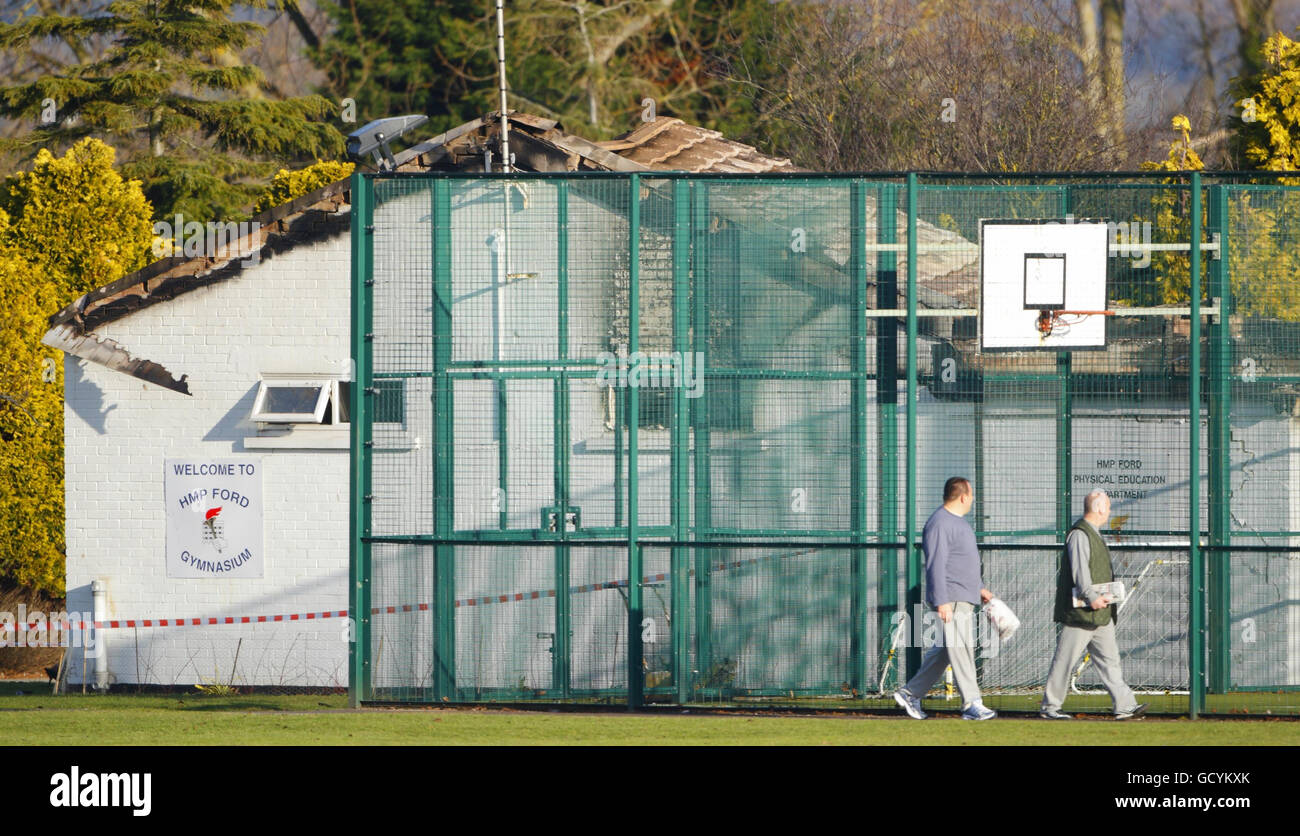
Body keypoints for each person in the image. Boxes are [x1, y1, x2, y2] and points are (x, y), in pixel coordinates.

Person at [1040, 489, 1148, 720]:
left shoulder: (1092, 533)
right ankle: (1050, 708)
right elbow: (1080, 571)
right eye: (1107, 507)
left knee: (1110, 661)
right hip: (1082, 613)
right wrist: (1091, 597)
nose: (1109, 512)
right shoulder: (1080, 534)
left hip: (1099, 614)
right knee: (1065, 660)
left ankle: (1125, 706)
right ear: (1099, 508)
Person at [894, 477, 997, 721]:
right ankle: (972, 703)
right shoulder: (940, 523)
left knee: (946, 651)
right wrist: (941, 601)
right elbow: (935, 564)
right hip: (951, 597)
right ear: (963, 496)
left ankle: (910, 694)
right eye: (971, 494)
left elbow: (963, 563)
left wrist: (980, 589)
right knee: (961, 649)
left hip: (963, 595)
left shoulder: (957, 523)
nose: (972, 499)